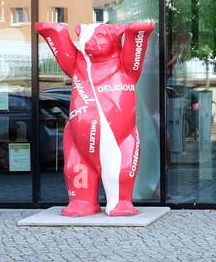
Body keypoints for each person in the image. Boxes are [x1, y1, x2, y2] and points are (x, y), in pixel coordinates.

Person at [36, 20, 155, 217]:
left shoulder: (124, 67)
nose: (92, 43)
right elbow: (64, 56)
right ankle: (82, 200)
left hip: (120, 136)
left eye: (99, 37)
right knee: (76, 168)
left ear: (115, 38)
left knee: (121, 169)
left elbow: (135, 57)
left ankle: (120, 201)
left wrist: (137, 34)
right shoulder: (78, 66)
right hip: (79, 137)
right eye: (87, 38)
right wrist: (54, 34)